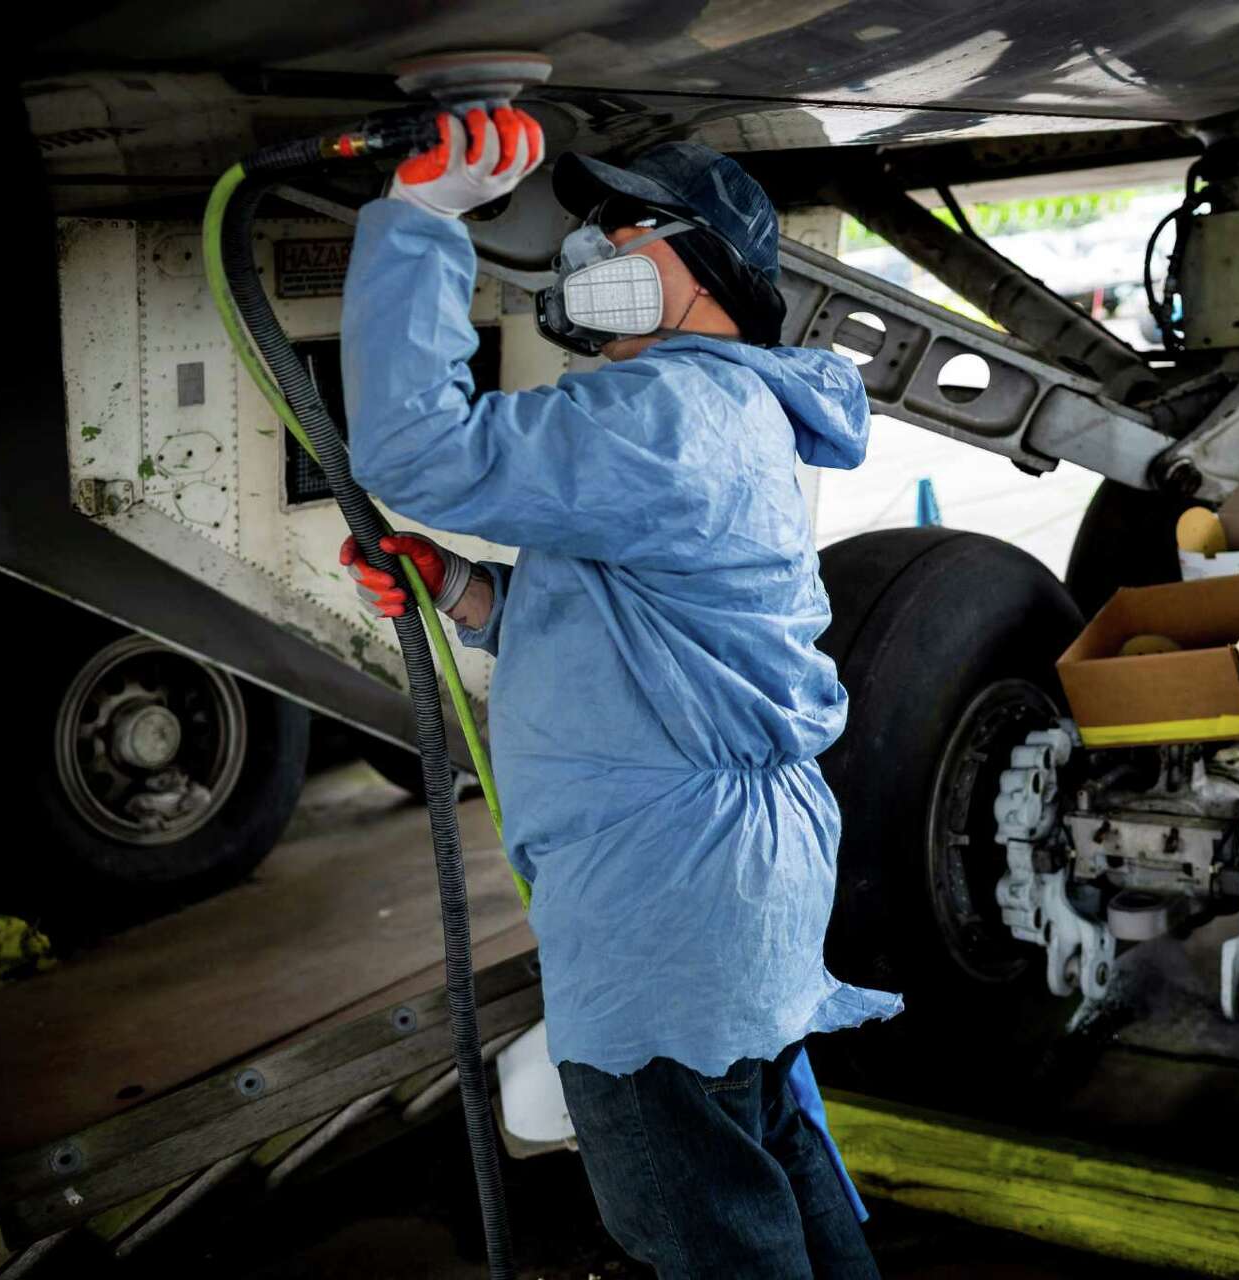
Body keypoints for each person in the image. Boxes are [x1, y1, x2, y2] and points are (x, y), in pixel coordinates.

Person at [334, 105, 901, 1277]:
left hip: (667, 901)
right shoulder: (718, 413)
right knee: (770, 1154)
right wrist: (465, 590)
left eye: (626, 229)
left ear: (702, 268)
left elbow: (415, 451)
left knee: (700, 1227)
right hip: (731, 882)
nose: (588, 255)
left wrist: (419, 221)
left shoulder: (667, 411)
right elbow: (637, 629)